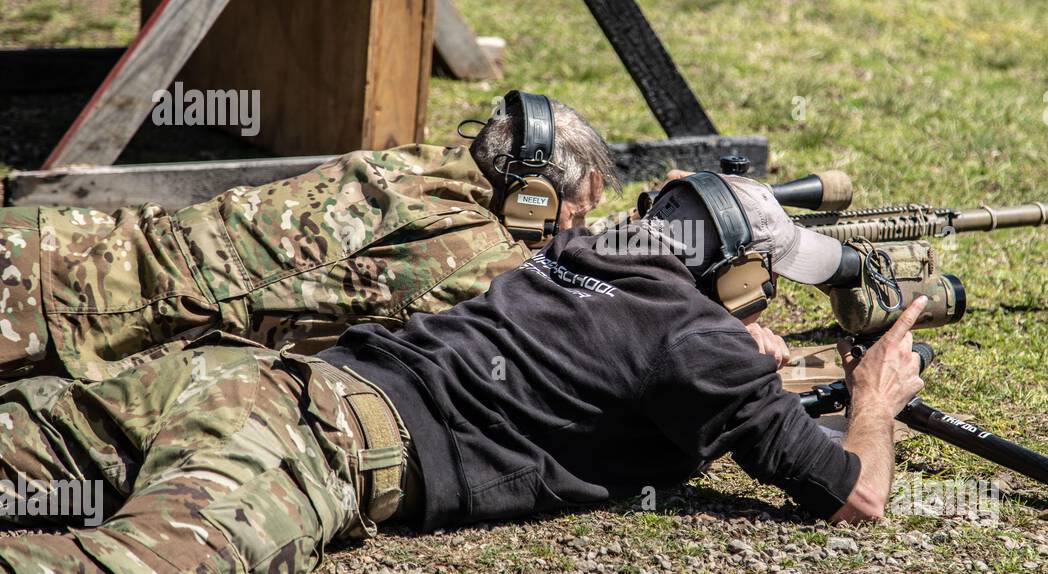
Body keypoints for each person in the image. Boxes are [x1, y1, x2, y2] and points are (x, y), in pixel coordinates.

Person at [0, 170, 925, 574]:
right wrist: (874, 397)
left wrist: (733, 345)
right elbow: (855, 497)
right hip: (307, 441)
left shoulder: (580, 248)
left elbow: (631, 335)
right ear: (733, 280)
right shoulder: (699, 343)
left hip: (224, 379)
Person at [0, 94, 614, 381]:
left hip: (56, 241)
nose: (574, 231)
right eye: (573, 214)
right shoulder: (471, 256)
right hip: (76, 312)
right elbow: (562, 322)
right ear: (528, 194)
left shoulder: (415, 164)